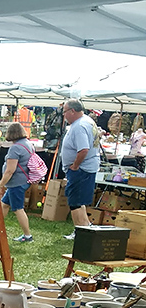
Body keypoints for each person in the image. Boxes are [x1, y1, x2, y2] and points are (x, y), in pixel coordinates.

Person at [0, 123, 34, 243]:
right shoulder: (27, 143)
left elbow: (10, 170)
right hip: (23, 180)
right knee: (4, 205)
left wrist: (0, 184)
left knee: (18, 209)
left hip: (16, 183)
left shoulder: (15, 148)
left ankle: (27, 235)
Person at [60, 100, 100, 240]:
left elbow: (83, 149)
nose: (64, 115)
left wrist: (75, 165)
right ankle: (85, 227)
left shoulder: (79, 126)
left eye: (65, 111)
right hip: (86, 167)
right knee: (79, 200)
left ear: (72, 111)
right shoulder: (87, 121)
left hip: (81, 169)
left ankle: (81, 232)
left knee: (75, 202)